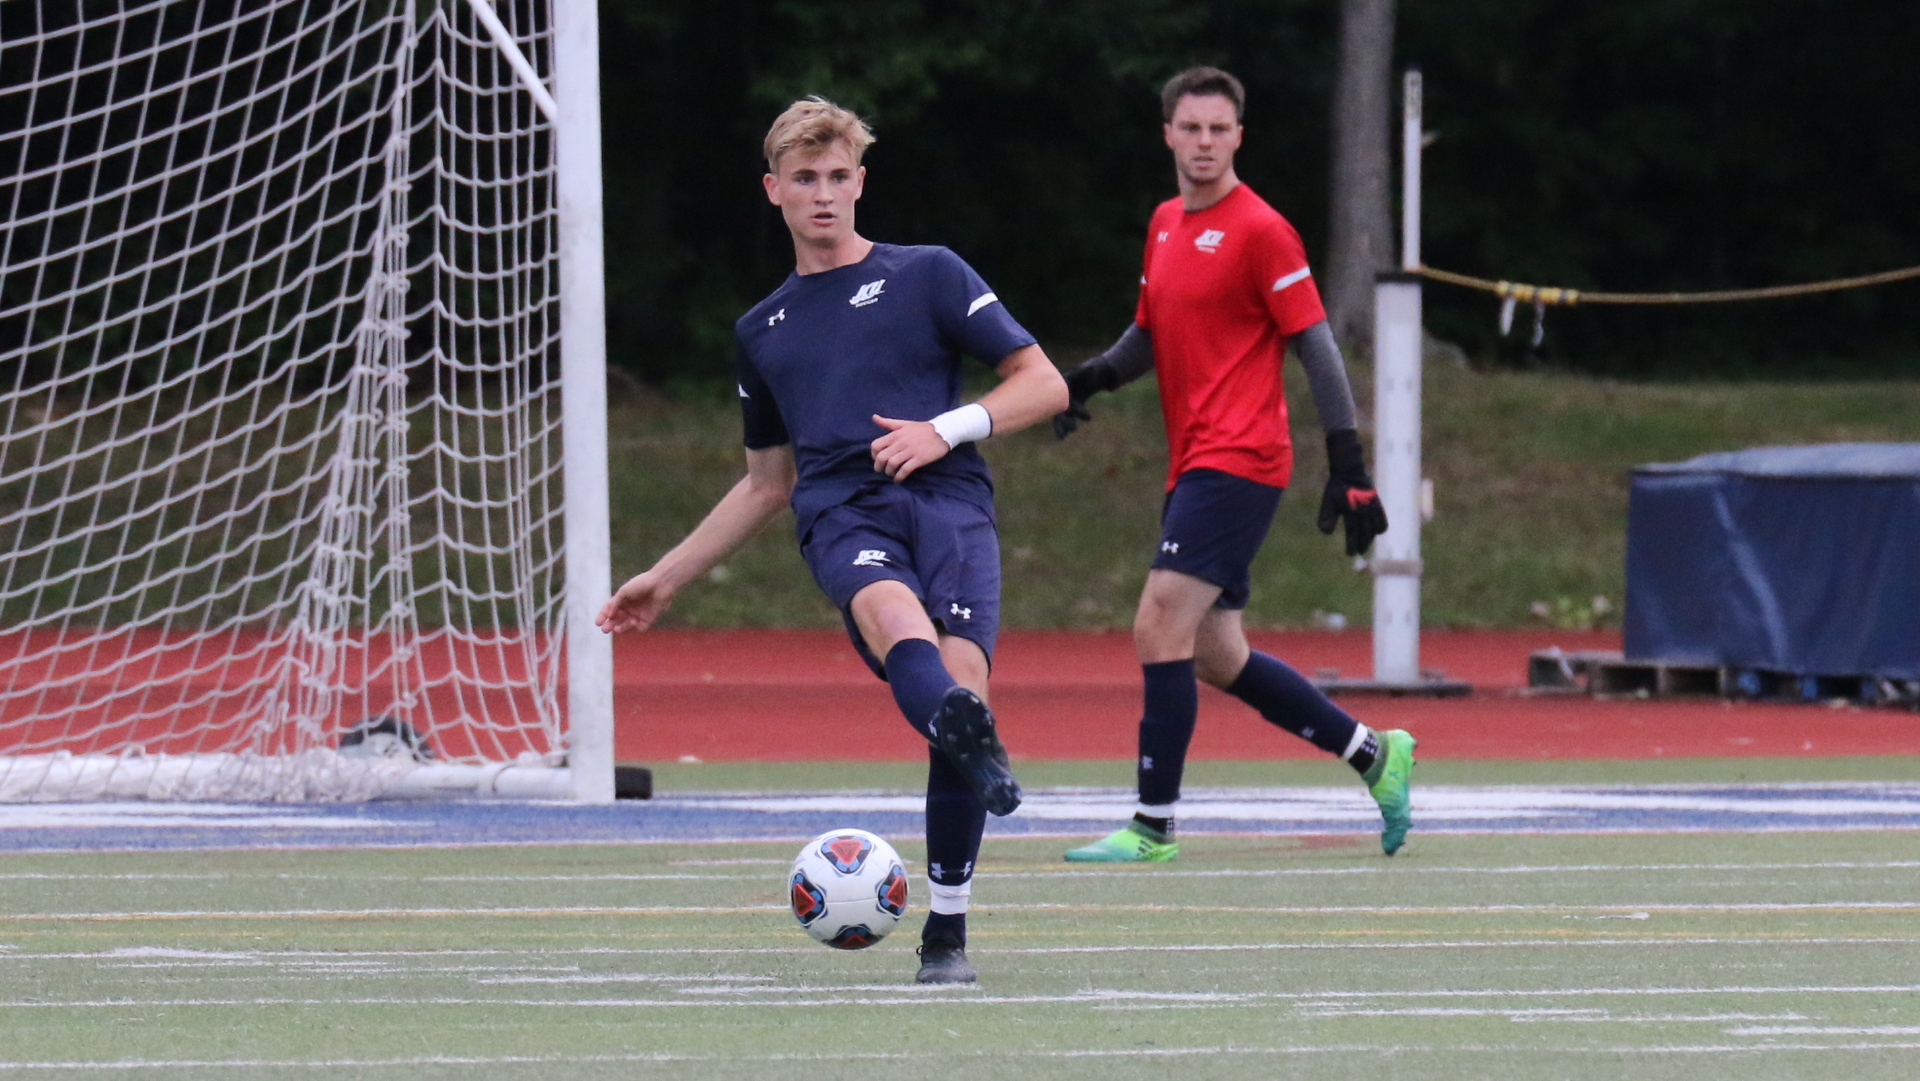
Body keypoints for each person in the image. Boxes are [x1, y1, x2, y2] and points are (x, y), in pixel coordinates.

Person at [598, 97, 1068, 982]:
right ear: (773, 190)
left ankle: (948, 933)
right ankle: (967, 735)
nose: (823, 195)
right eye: (804, 179)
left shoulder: (927, 272)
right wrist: (666, 576)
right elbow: (767, 483)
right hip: (843, 510)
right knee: (899, 625)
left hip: (948, 496)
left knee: (959, 683)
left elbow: (1041, 382)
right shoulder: (762, 330)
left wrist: (947, 426)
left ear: (861, 183)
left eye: (838, 177)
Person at [1054, 67, 1414, 863]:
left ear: (1239, 137)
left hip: (1242, 458)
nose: (1205, 142)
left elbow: (1316, 345)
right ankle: (1375, 755)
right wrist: (1082, 379)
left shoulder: (1261, 229)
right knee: (1216, 653)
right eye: (1192, 128)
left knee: (1158, 622)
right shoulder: (1163, 224)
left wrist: (1347, 459)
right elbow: (1146, 335)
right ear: (1169, 136)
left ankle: (1153, 825)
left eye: (1220, 129)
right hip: (1194, 463)